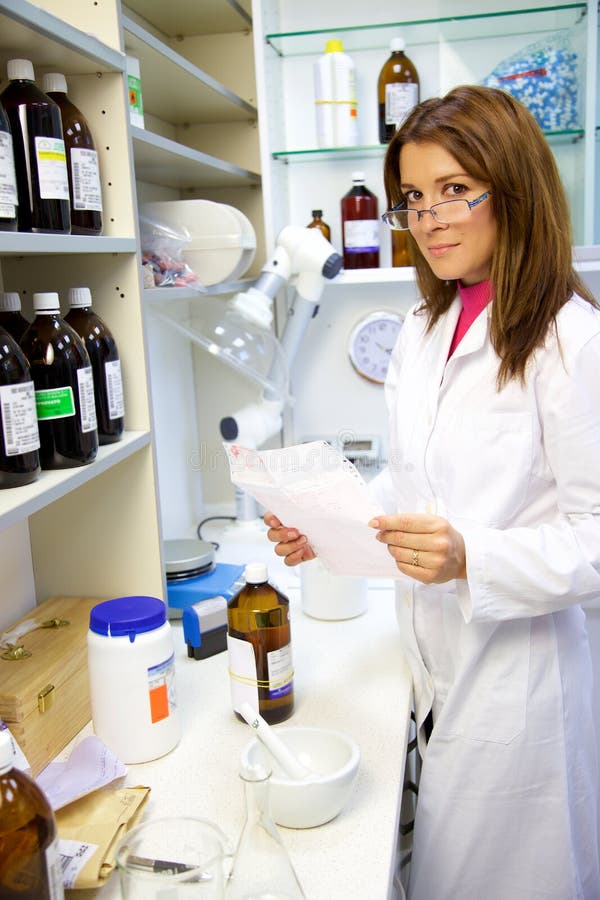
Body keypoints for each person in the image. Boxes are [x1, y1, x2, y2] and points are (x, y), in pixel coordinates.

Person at [264, 84, 600, 899]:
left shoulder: (571, 339)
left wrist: (468, 557)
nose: (430, 217)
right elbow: (414, 476)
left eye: (455, 190)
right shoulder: (420, 329)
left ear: (511, 189)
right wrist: (329, 520)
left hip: (519, 682)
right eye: (413, 198)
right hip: (430, 661)